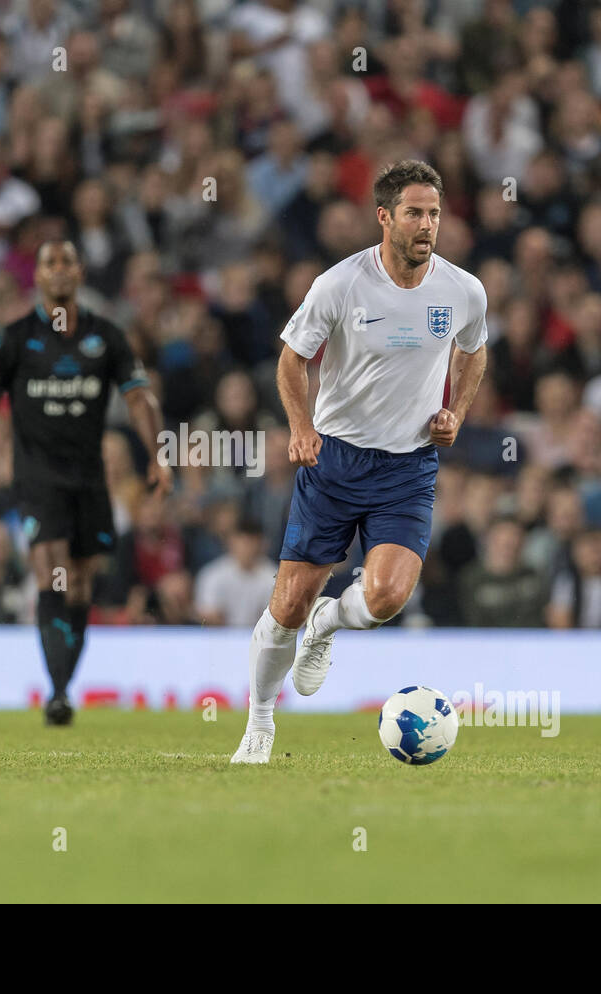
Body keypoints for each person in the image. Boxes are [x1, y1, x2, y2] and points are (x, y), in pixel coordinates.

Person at [231, 160, 488, 764]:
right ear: (384, 218)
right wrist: (300, 426)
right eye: (414, 214)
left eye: (434, 214)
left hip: (408, 466)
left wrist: (457, 412)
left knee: (387, 597)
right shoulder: (340, 285)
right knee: (287, 604)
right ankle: (260, 722)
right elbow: (292, 360)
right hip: (336, 460)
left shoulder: (463, 290)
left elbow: (473, 353)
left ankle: (329, 625)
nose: (427, 226)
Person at [0, 240, 171, 726]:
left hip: (91, 477)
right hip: (37, 476)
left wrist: (158, 452)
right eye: (50, 261)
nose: (60, 269)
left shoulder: (106, 336)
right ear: (39, 276)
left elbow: (138, 398)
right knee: (51, 573)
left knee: (80, 584)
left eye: (68, 261)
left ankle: (61, 685)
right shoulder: (13, 339)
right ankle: (59, 692)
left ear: (80, 271)